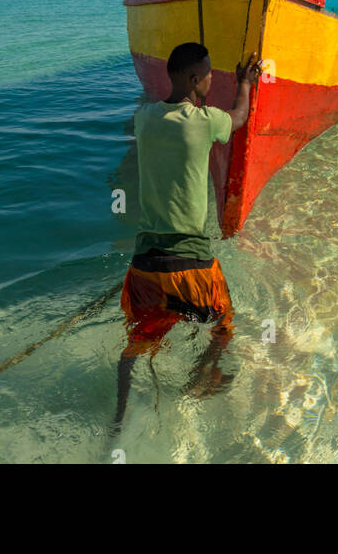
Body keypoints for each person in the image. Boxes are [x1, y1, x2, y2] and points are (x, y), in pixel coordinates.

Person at [113, 43, 260, 427]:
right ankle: (197, 384)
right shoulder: (205, 120)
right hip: (192, 268)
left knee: (138, 344)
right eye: (209, 73)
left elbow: (162, 107)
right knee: (224, 328)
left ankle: (119, 416)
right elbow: (240, 117)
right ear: (195, 79)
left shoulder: (144, 117)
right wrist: (246, 83)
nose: (213, 78)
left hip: (144, 268)